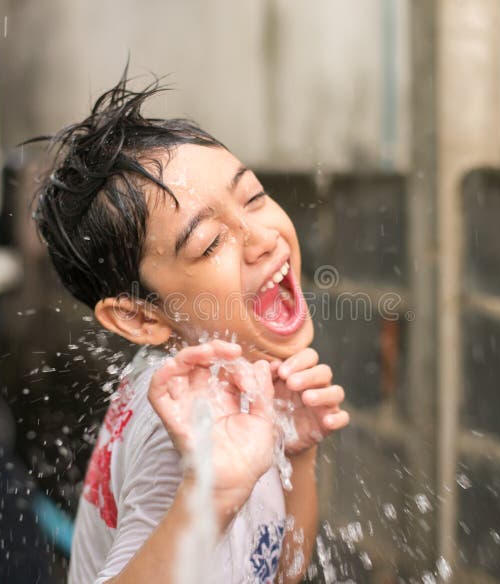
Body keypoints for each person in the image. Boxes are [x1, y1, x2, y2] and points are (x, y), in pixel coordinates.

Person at [31, 74, 350, 584]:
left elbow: (282, 571)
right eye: (208, 244)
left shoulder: (225, 377)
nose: (261, 239)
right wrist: (213, 494)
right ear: (141, 317)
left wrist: (298, 458)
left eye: (253, 197)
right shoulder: (179, 439)